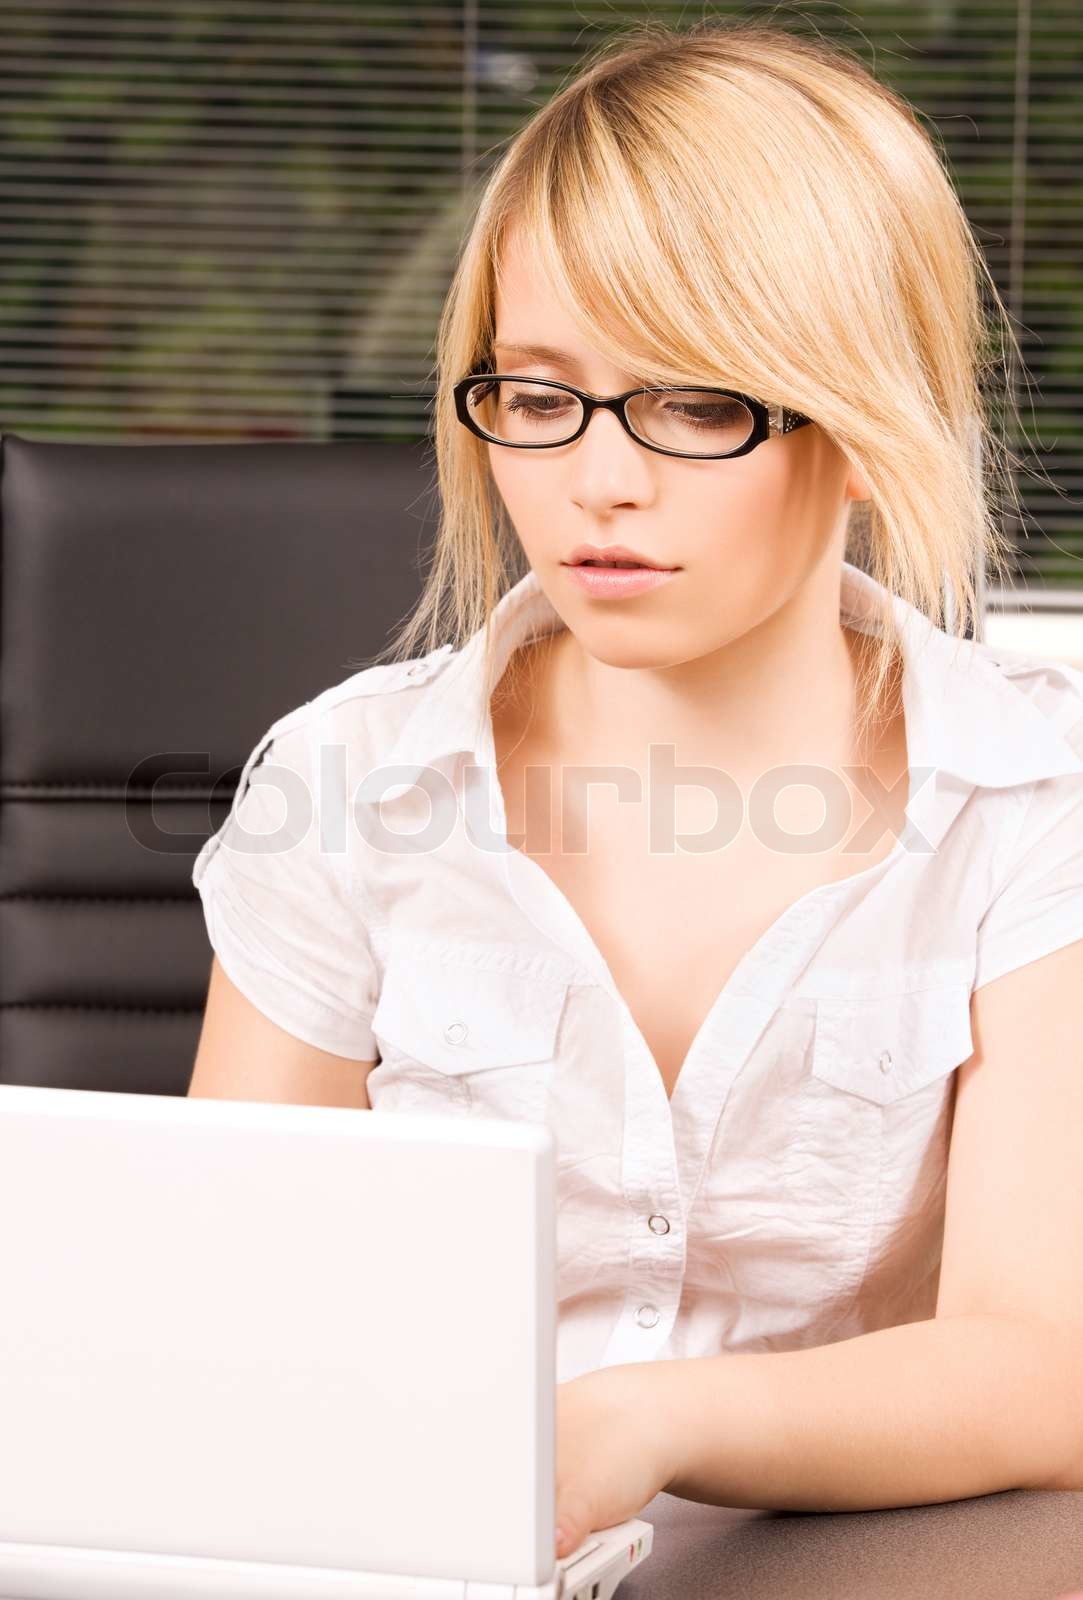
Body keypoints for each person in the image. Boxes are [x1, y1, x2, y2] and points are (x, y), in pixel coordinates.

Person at [188, 17, 1083, 1555]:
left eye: (697, 404)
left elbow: (1048, 1367)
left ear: (864, 424)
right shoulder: (346, 785)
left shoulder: (1032, 795)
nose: (599, 481)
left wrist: (644, 1422)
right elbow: (216, 1308)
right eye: (540, 399)